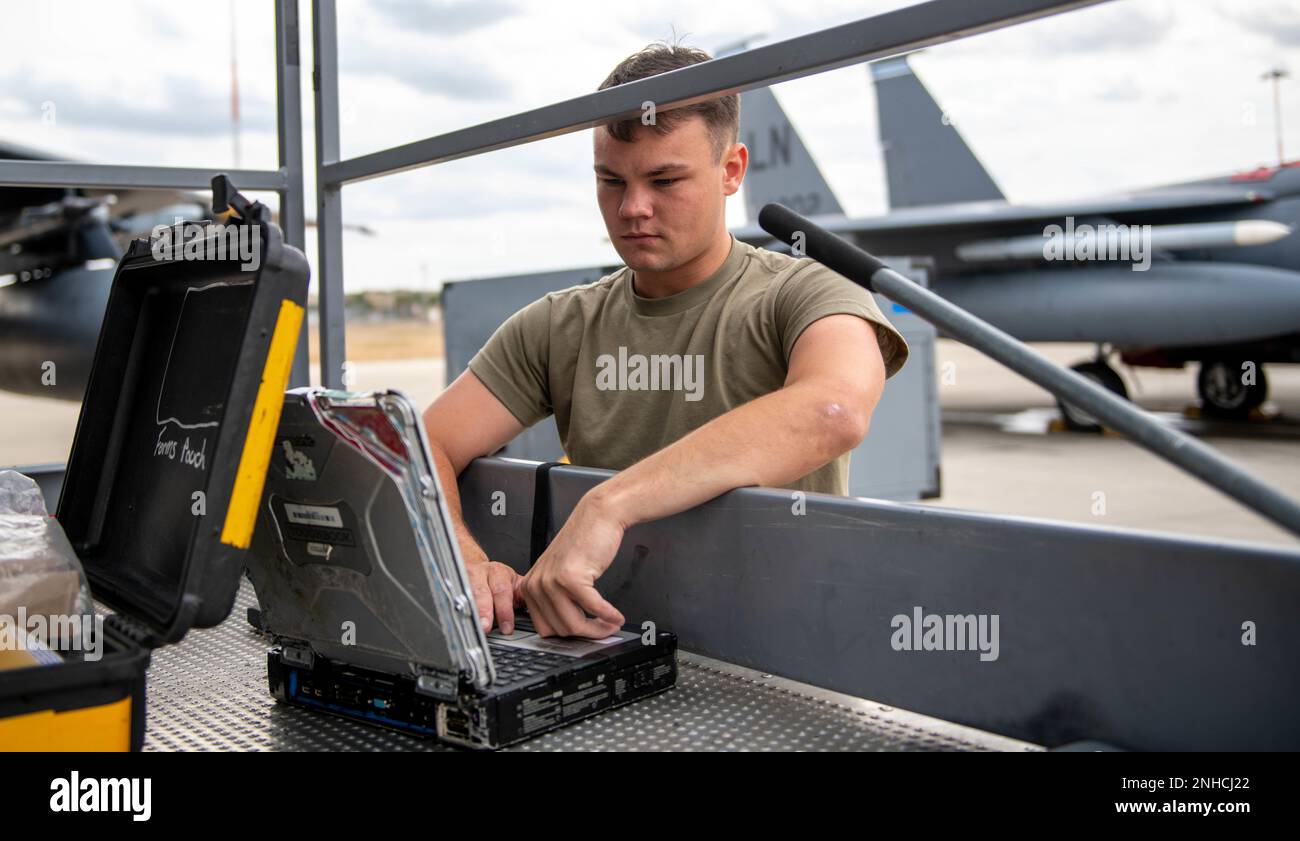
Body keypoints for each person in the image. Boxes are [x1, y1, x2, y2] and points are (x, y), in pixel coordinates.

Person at [422, 42, 908, 639]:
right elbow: (425, 446)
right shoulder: (556, 325)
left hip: (786, 653)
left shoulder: (806, 293)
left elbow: (832, 410)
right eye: (610, 180)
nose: (632, 209)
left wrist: (608, 504)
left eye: (665, 179)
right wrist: (463, 558)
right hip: (604, 645)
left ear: (731, 171)